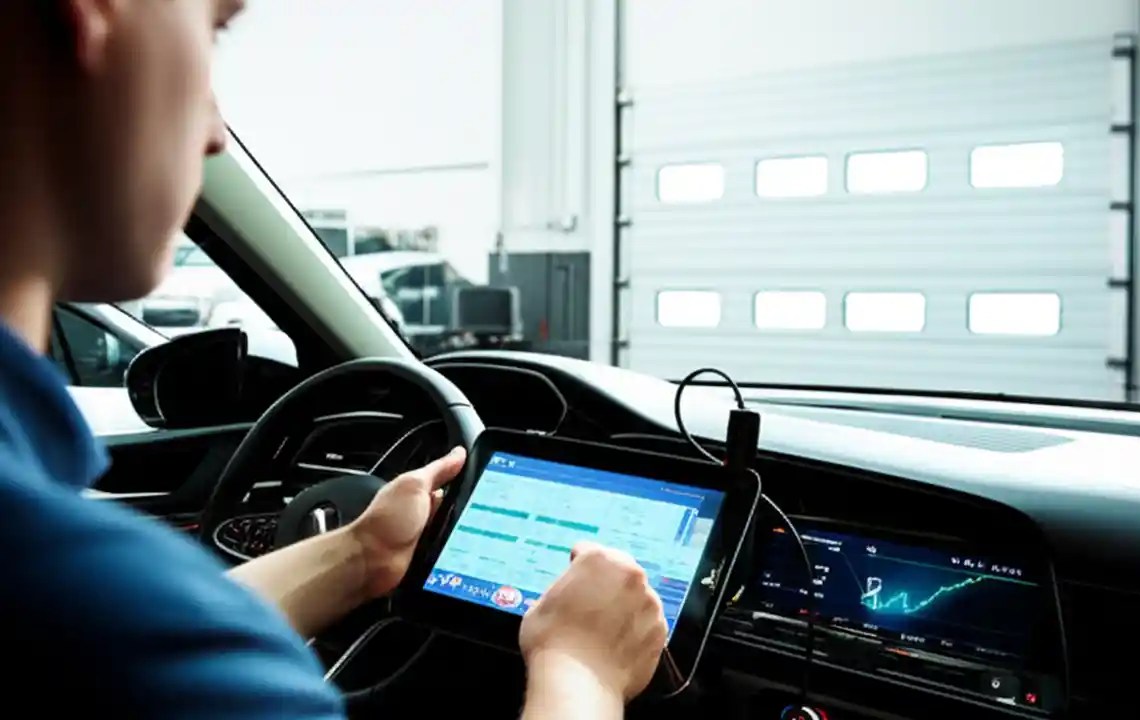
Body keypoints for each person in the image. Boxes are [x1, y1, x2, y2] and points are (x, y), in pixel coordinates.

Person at [0, 1, 666, 717]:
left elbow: (122, 635)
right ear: (95, 15)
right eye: (213, 29)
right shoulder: (95, 610)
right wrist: (582, 671)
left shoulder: (75, 601)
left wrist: (358, 555)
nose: (217, 130)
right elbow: (135, 642)